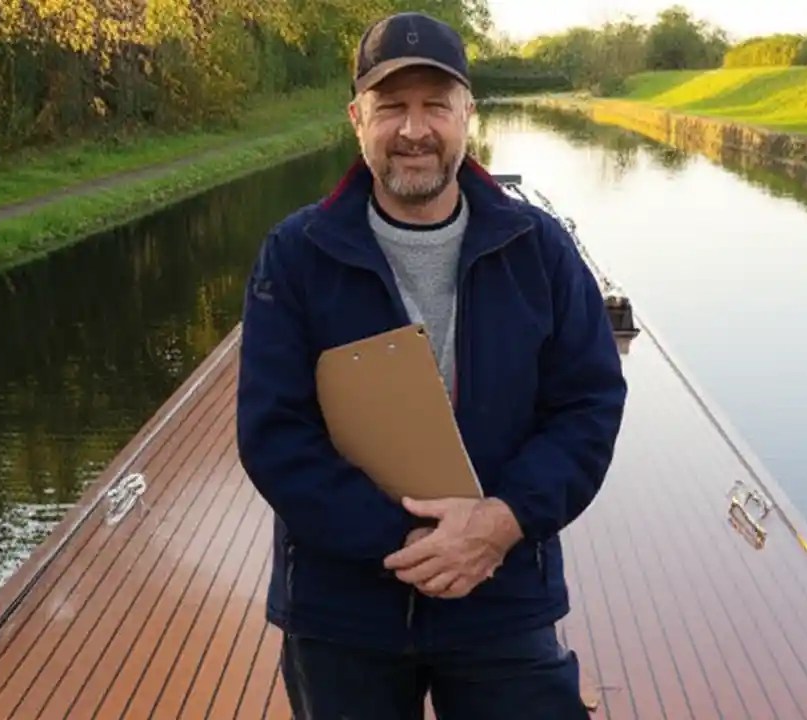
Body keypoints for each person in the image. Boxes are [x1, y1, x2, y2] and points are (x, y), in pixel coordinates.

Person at [235, 10, 628, 719]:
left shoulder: (540, 251)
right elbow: (275, 433)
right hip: (342, 613)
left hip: (501, 595)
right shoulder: (295, 256)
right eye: (391, 107)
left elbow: (587, 407)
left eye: (434, 106)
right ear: (357, 118)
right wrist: (413, 542)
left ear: (468, 114)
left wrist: (499, 525)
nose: (413, 130)